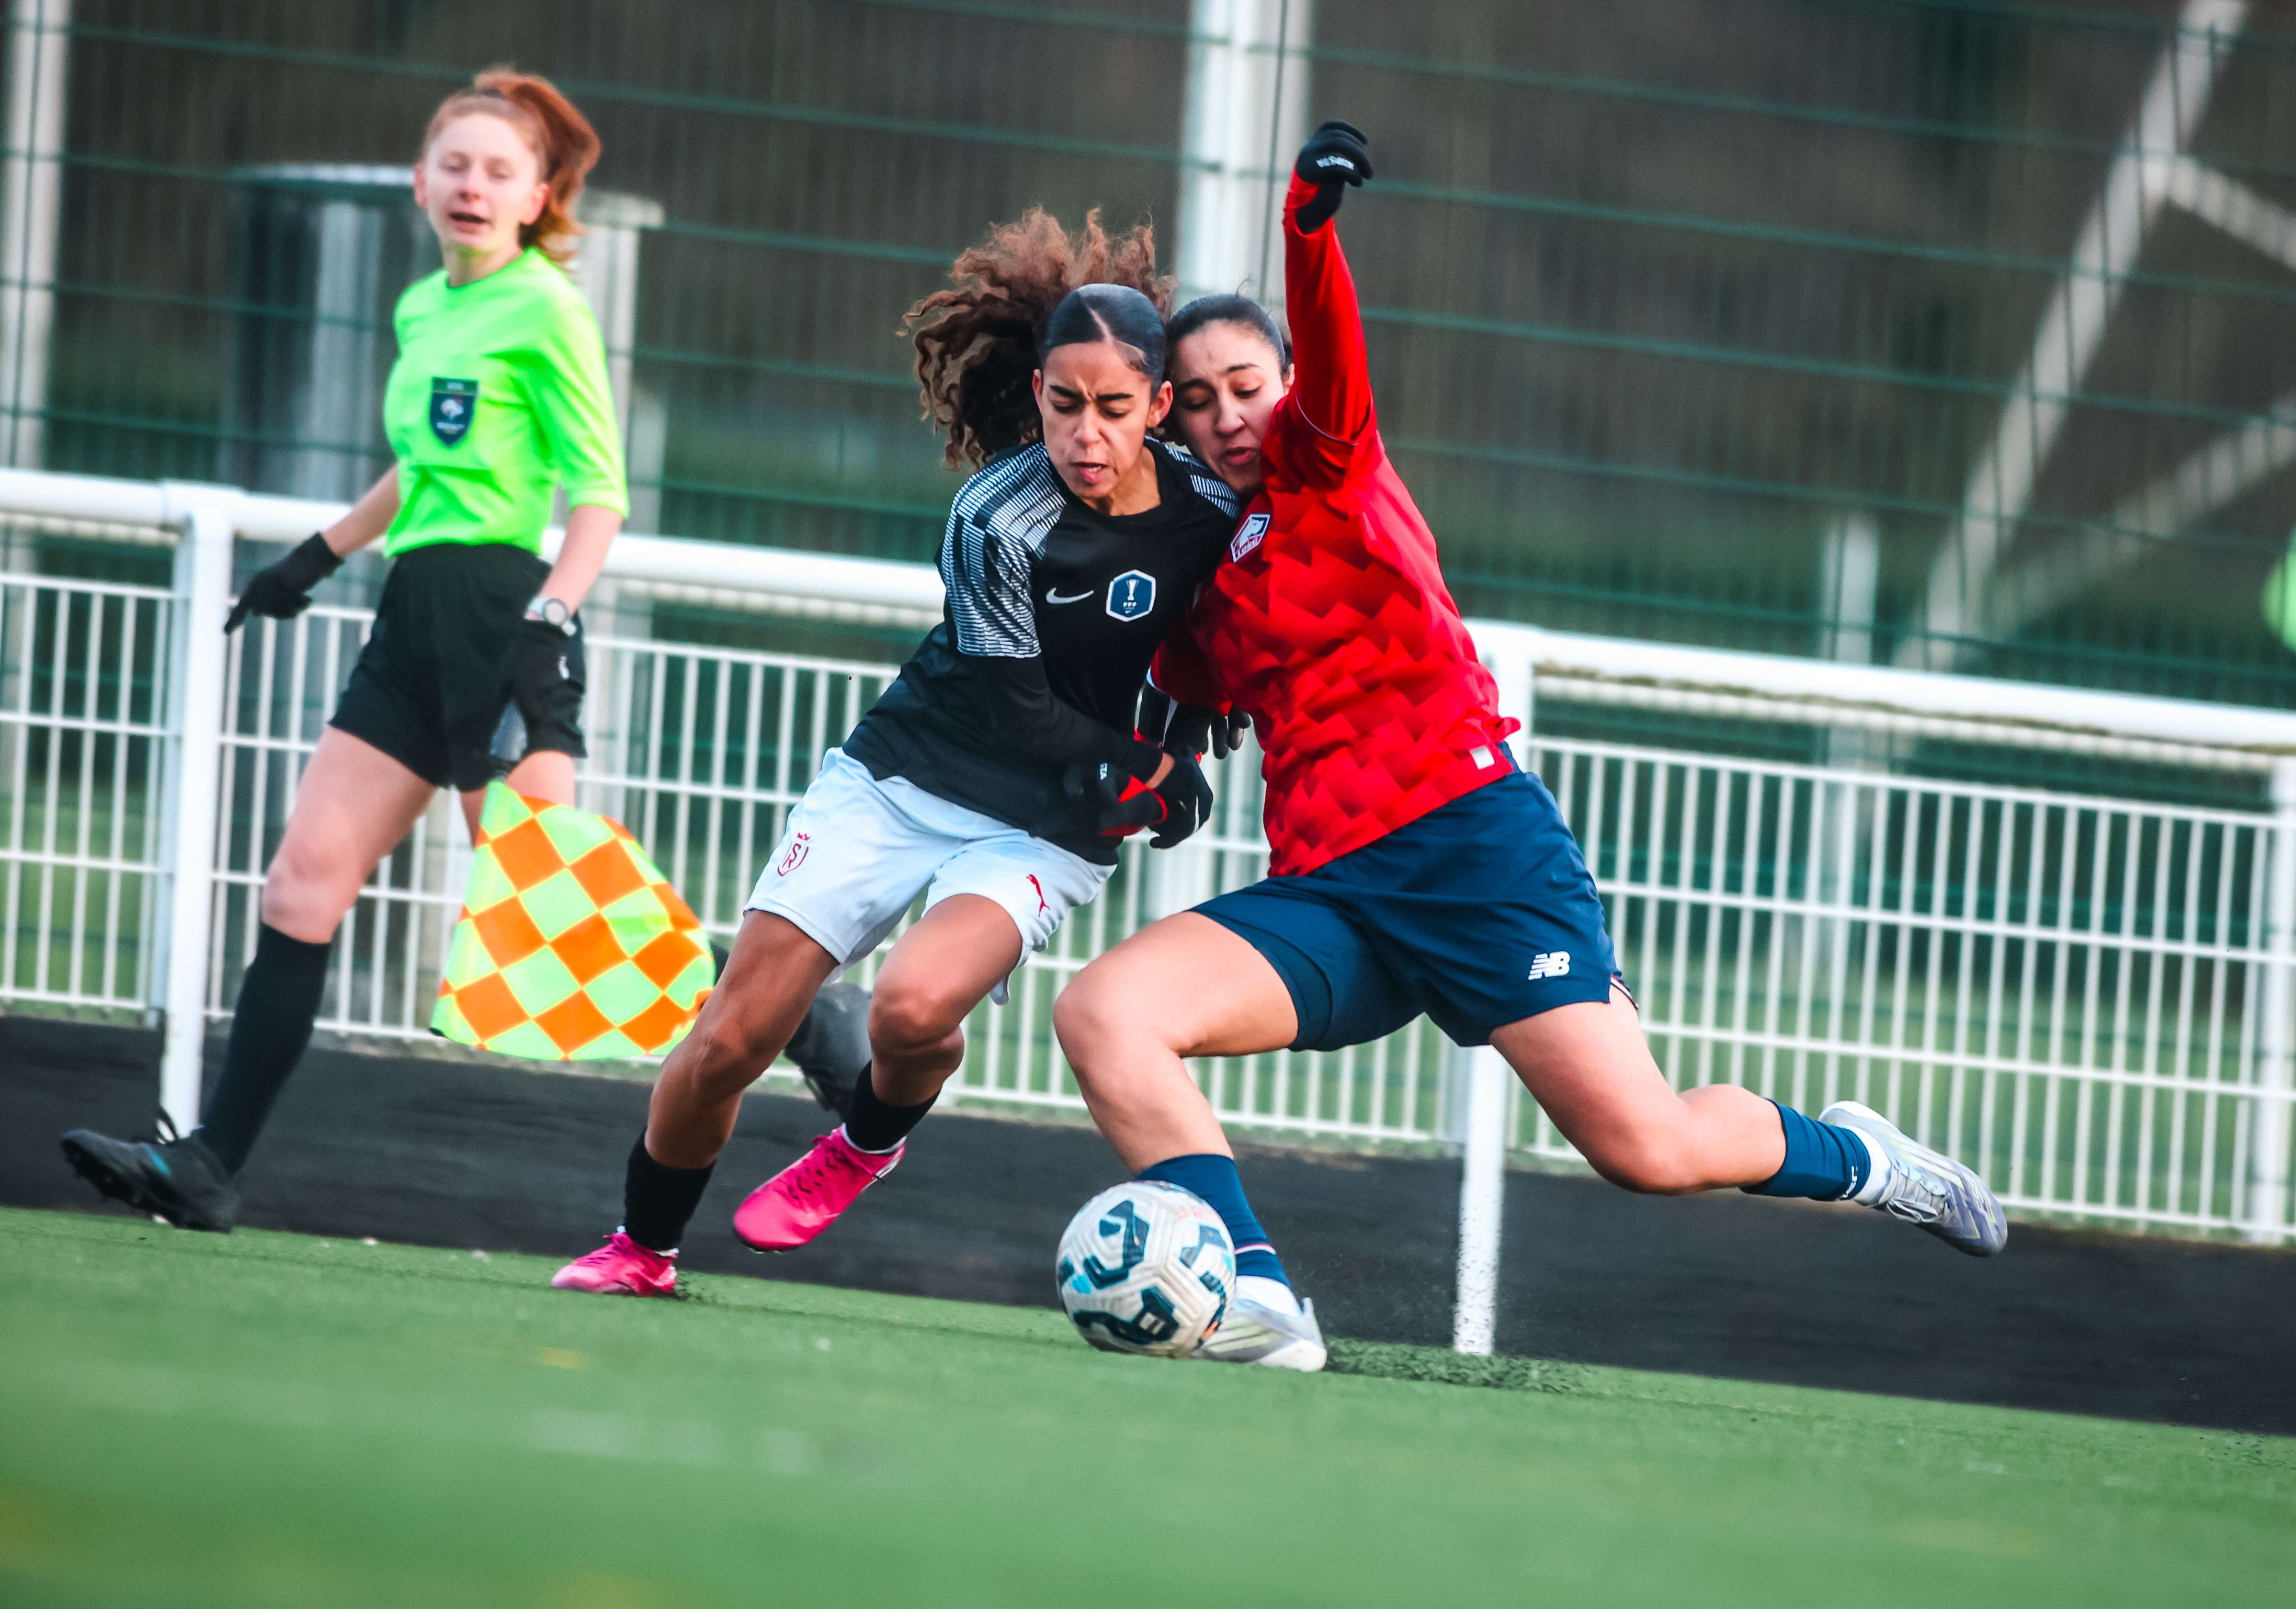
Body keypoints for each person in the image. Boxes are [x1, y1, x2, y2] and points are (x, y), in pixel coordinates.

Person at [1052, 123, 2008, 1373]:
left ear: (1289, 385)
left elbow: (1330, 338)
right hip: (1337, 896)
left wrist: (1308, 223)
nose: (1234, 413)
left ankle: (1871, 1160)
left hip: (1475, 854)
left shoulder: (1334, 463)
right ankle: (1258, 1297)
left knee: (1647, 1150)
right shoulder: (1197, 578)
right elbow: (1146, 701)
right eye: (1208, 397)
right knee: (1105, 1012)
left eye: (1254, 383)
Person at [550, 211, 1241, 1297]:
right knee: (735, 1035)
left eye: (1115, 409)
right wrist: (1150, 773)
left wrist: (1191, 742)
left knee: (912, 1012)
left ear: (1160, 407)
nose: (1087, 436)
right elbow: (1018, 707)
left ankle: (864, 1144)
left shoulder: (1217, 508)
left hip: (1043, 824)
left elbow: (1254, 634)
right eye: (1064, 407)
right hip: (909, 774)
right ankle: (643, 1249)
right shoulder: (995, 519)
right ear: (1039, 398)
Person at [58, 68, 634, 1233]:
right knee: (301, 885)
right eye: (456, 168)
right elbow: (423, 471)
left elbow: (601, 493)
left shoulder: (547, 307)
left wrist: (552, 619)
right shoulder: (425, 308)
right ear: (421, 186)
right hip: (408, 622)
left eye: (499, 173)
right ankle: (210, 1166)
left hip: (498, 620)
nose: (474, 186)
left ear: (535, 200)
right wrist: (317, 555)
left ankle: (807, 1026)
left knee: (556, 917)